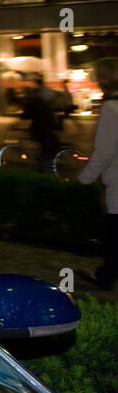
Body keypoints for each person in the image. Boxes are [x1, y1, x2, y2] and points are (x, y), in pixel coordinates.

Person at [77, 59, 118, 290]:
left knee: (114, 234)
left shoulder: (111, 109)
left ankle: (105, 276)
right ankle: (106, 273)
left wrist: (86, 177)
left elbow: (105, 150)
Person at [20, 78, 61, 171]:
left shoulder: (33, 101)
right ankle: (45, 161)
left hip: (41, 127)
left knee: (44, 146)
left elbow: (25, 115)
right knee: (48, 144)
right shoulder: (41, 99)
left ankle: (43, 165)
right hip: (49, 124)